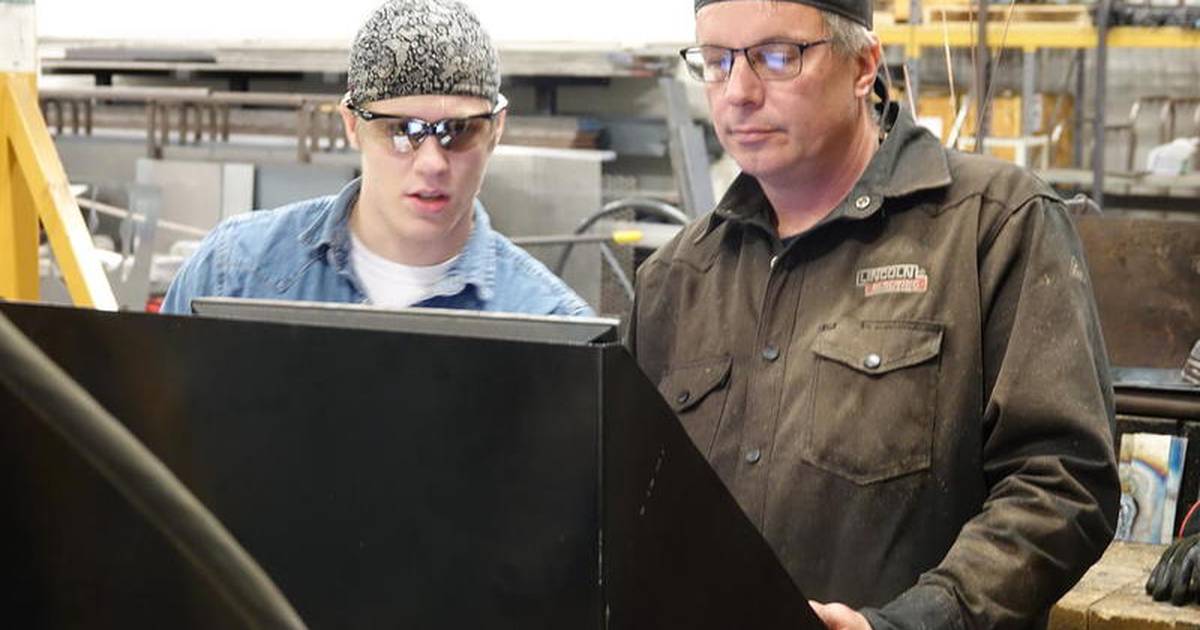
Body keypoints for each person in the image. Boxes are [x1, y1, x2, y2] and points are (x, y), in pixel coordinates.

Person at [628, 0, 1120, 628]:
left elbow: (1062, 483)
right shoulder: (676, 279)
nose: (739, 92)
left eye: (777, 57)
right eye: (717, 61)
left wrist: (907, 623)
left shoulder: (993, 228)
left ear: (864, 67)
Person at [162, 0, 592, 317]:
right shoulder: (234, 275)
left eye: (458, 131)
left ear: (496, 129)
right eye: (401, 131)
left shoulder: (548, 320)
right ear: (352, 124)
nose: (432, 163)